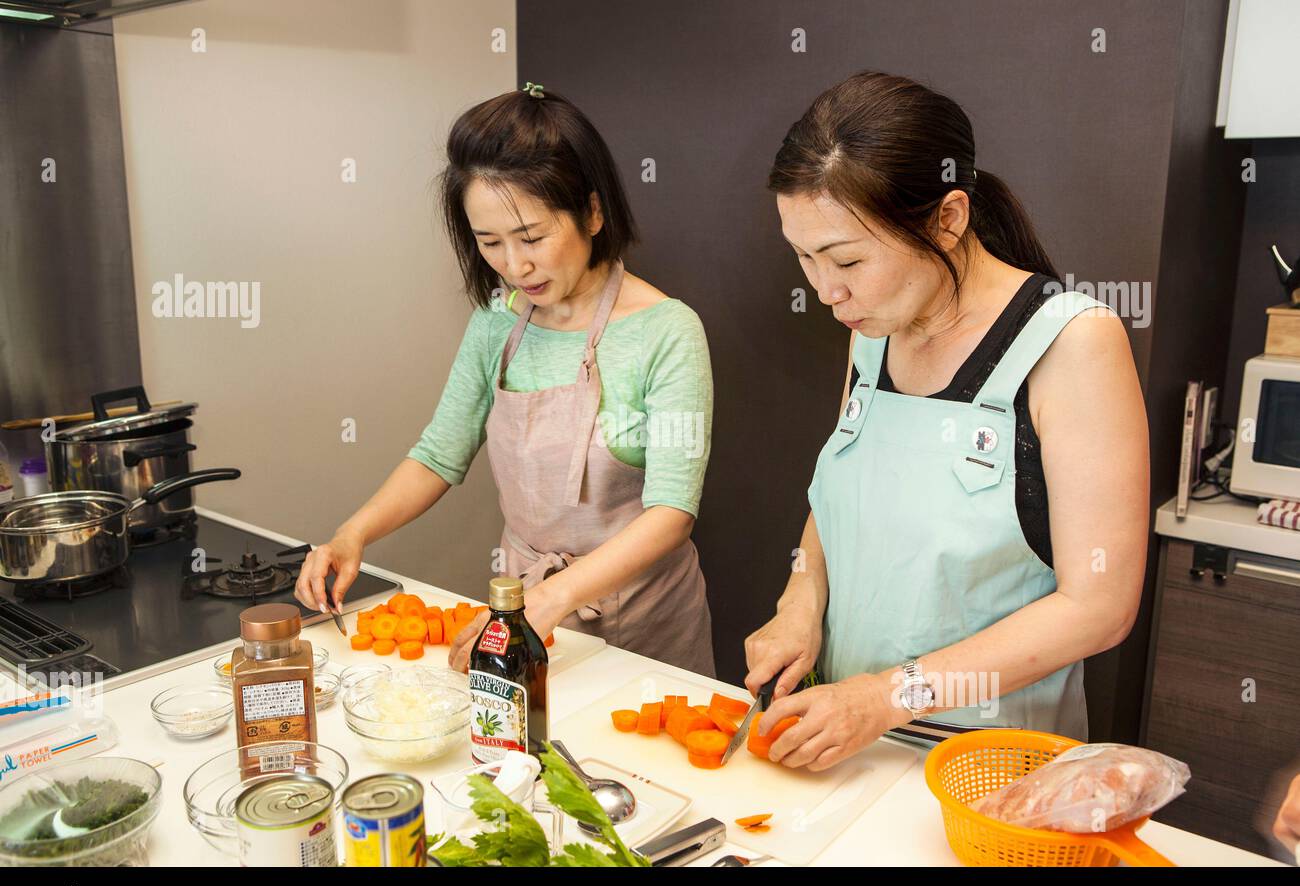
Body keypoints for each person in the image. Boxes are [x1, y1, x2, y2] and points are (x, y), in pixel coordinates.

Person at [744, 71, 1149, 770]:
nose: (824, 290)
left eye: (846, 258)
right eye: (804, 256)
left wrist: (888, 697)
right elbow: (844, 495)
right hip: (848, 736)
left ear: (949, 217)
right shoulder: (869, 326)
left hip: (989, 761)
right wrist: (798, 601)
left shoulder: (1071, 343)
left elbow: (1100, 605)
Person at [295, 83, 715, 676]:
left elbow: (672, 513)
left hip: (641, 622)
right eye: (489, 242)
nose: (515, 266)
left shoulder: (667, 331)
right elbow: (440, 454)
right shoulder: (498, 322)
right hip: (517, 604)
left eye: (533, 237)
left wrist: (551, 599)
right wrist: (351, 534)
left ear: (593, 212)